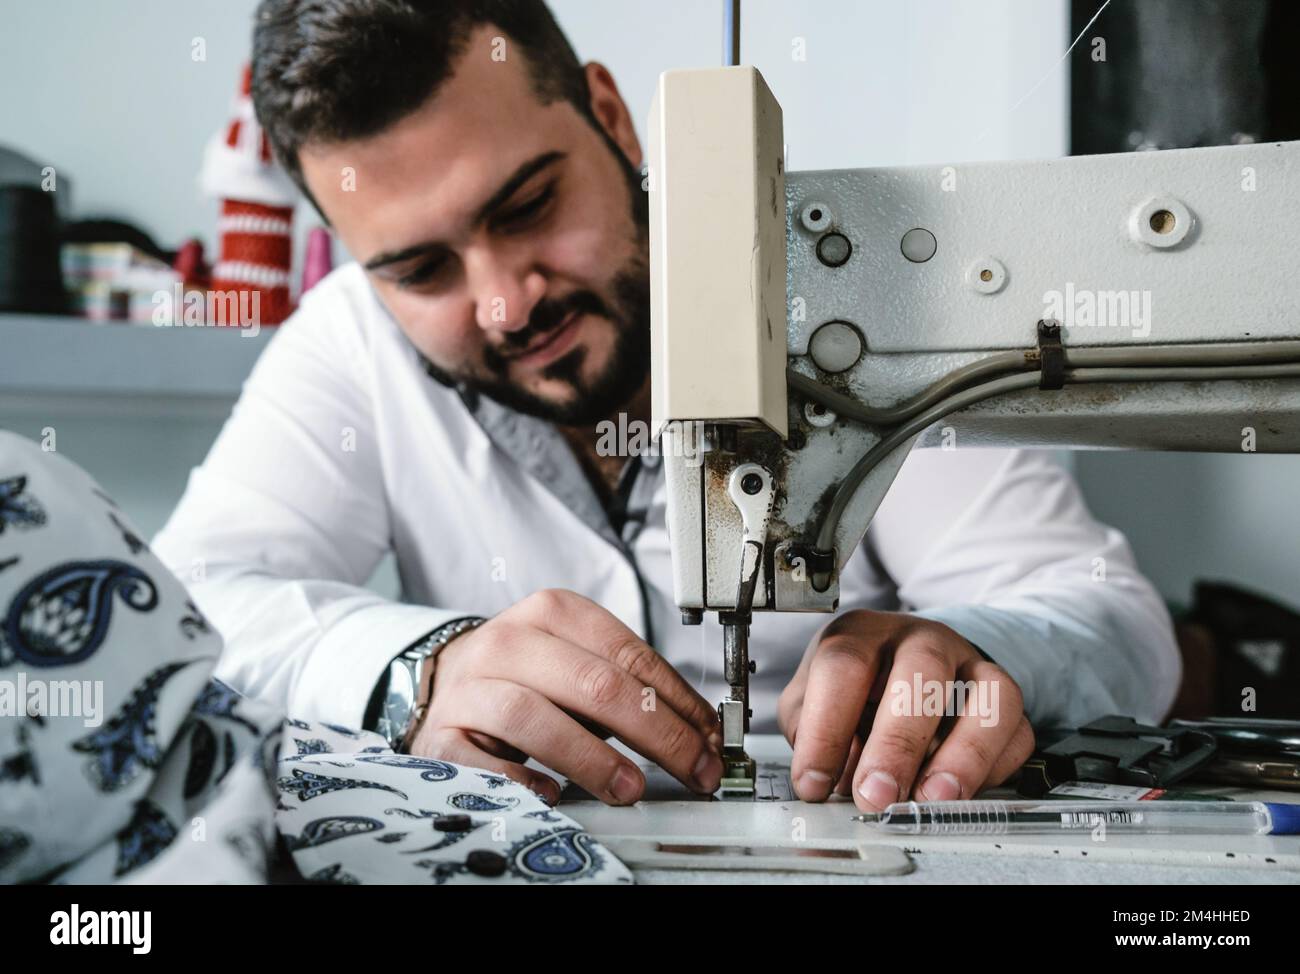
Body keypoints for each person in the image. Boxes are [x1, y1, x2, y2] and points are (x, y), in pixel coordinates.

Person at [154, 0, 1181, 813]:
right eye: (422, 269)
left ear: (608, 114)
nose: (508, 303)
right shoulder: (350, 339)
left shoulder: (851, 294)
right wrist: (409, 669)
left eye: (526, 208)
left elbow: (1105, 615)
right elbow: (184, 612)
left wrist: (988, 647)